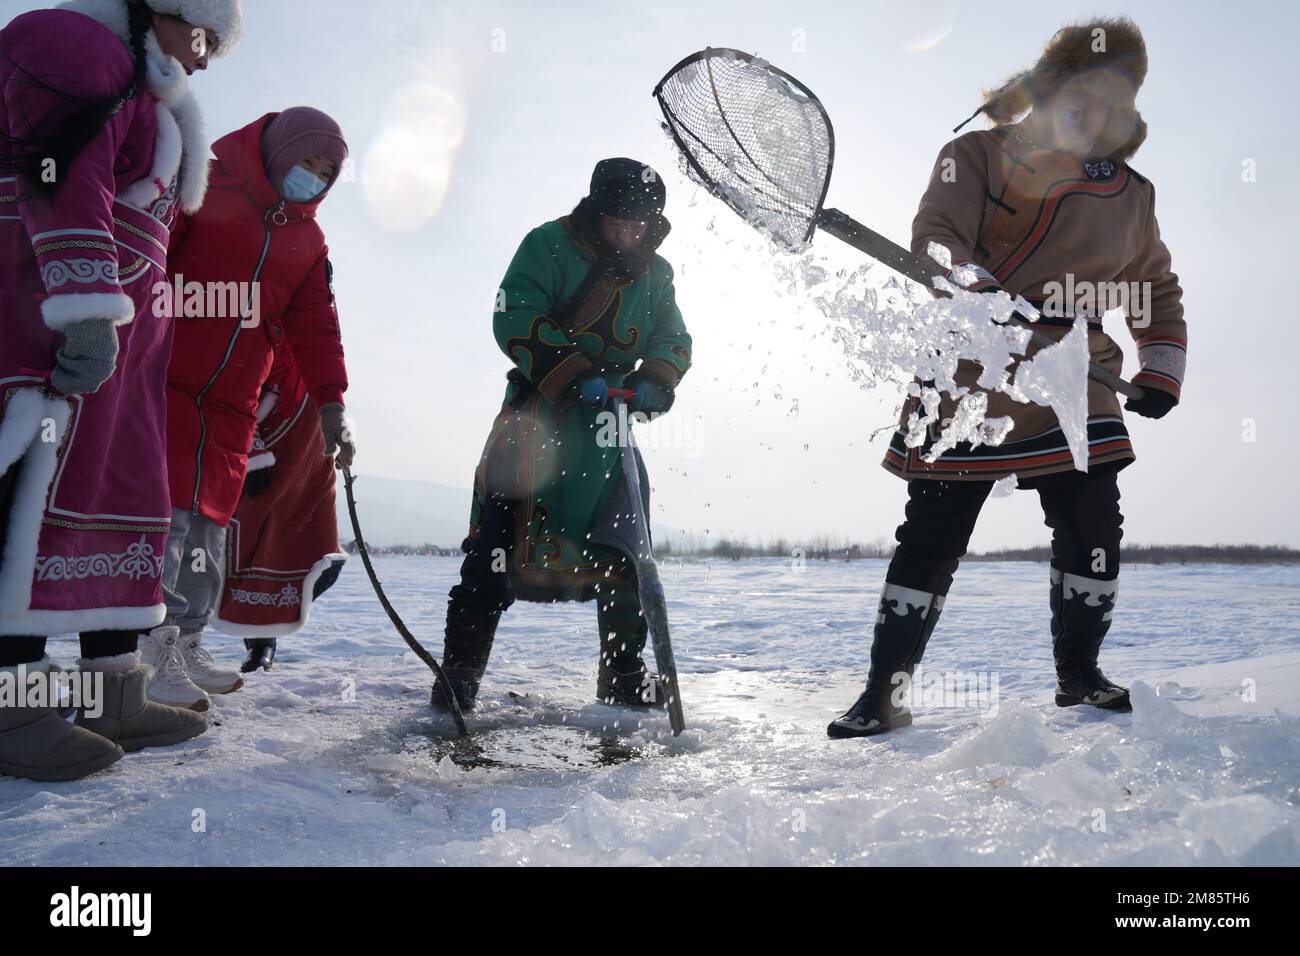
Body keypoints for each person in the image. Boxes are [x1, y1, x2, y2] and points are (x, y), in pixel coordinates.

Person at [828, 18, 1187, 738]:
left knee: (1092, 520)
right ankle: (882, 692)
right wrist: (980, 290)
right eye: (1083, 92)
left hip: (1077, 370)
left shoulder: (1131, 192)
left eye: (1114, 96)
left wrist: (1160, 373)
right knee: (933, 530)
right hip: (973, 362)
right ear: (1052, 87)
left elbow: (1155, 291)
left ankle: (1079, 677)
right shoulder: (976, 156)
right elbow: (936, 239)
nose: (1096, 111)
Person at [0, 0, 242, 781]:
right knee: (27, 511)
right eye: (202, 36)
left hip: (125, 349)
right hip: (44, 318)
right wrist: (84, 307)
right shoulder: (71, 47)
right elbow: (60, 174)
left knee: (114, 501)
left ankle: (112, 691)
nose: (203, 61)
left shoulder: (141, 89)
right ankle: (14, 707)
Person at [435, 158, 692, 713]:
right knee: (494, 553)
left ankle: (623, 677)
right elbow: (514, 314)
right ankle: (458, 680)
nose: (629, 232)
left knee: (625, 555)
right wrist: (575, 374)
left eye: (640, 223)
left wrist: (653, 380)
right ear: (597, 212)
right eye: (618, 220)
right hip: (537, 418)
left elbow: (674, 335)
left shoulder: (658, 273)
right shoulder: (548, 244)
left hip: (607, 436)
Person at [152, 107, 353, 710]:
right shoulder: (202, 186)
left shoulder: (308, 240)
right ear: (274, 152)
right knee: (162, 524)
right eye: (306, 161)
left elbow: (317, 325)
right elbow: (151, 261)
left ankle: (185, 643)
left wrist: (331, 404)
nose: (313, 176)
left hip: (234, 402)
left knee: (208, 529)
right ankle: (145, 650)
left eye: (326, 170)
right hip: (162, 383)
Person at [210, 341, 349, 673]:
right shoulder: (259, 296)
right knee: (233, 552)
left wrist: (339, 423)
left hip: (312, 451)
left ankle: (263, 632)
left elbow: (326, 362)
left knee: (320, 555)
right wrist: (253, 447)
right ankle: (176, 641)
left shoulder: (322, 300)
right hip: (271, 444)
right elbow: (237, 377)